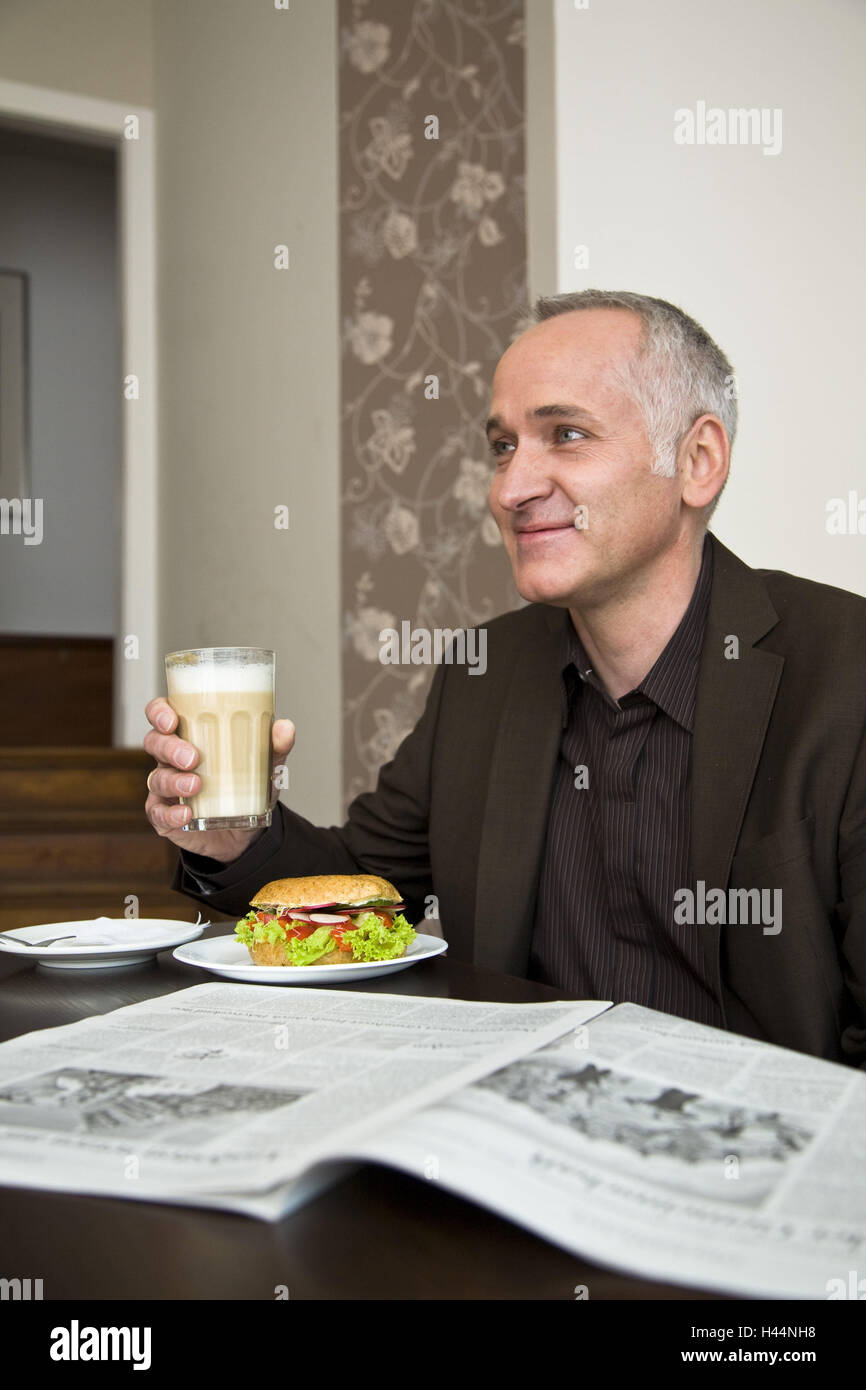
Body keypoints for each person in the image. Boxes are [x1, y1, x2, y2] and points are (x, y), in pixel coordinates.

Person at [144, 290, 866, 1067]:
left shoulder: (844, 670)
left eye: (566, 434)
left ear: (697, 462)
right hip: (509, 1136)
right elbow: (363, 894)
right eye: (502, 447)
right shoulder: (483, 675)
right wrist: (236, 840)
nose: (510, 489)